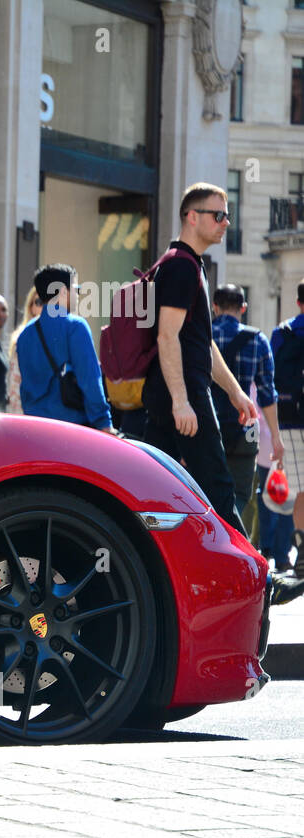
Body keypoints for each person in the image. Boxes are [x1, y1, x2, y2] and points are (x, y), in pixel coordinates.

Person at [142, 184, 255, 536]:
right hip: (185, 396)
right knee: (218, 488)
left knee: (154, 494)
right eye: (218, 215)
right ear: (192, 217)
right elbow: (167, 335)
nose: (226, 222)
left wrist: (235, 393)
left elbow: (202, 343)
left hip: (177, 394)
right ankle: (255, 579)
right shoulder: (181, 267)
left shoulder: (189, 265)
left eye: (227, 215)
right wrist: (181, 402)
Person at [211, 284, 284, 525]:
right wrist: (275, 436)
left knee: (204, 490)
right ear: (243, 308)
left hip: (208, 425)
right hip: (246, 429)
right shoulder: (257, 339)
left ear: (214, 307)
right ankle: (229, 532)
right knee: (241, 493)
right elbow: (267, 393)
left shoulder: (203, 336)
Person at [15, 264, 111, 432]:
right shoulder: (75, 326)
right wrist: (104, 423)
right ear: (63, 292)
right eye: (76, 289)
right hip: (73, 429)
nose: (78, 295)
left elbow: (26, 388)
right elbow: (90, 381)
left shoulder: (25, 335)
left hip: (35, 428)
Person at [271, 278, 304, 572]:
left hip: (290, 419)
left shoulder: (281, 332)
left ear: (298, 302)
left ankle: (301, 548)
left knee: (298, 489)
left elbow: (270, 377)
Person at [5, 286, 41, 415]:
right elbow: (15, 384)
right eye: (38, 302)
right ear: (31, 307)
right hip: (24, 413)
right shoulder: (22, 337)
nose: (43, 307)